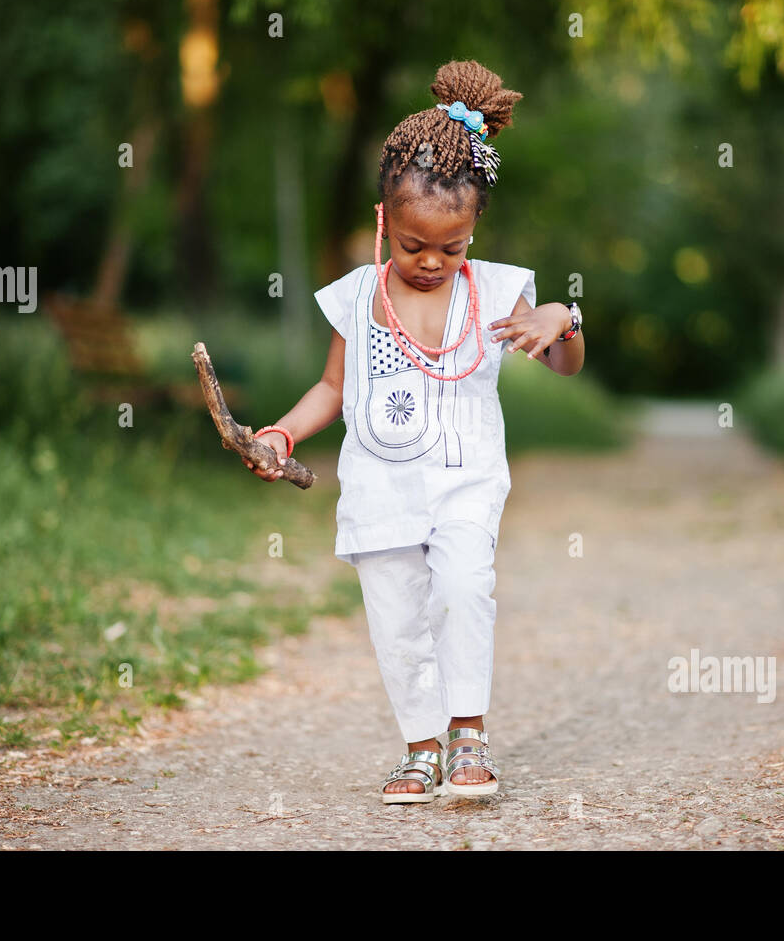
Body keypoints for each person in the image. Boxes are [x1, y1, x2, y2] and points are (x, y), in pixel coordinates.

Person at [242, 60, 585, 803]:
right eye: (412, 245)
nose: (431, 261)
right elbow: (333, 387)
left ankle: (468, 735)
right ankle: (420, 747)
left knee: (464, 588)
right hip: (380, 487)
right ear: (382, 222)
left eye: (451, 247)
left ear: (473, 231)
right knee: (396, 619)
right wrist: (280, 436)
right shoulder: (357, 295)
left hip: (466, 479)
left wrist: (563, 318)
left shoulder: (498, 290)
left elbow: (564, 364)